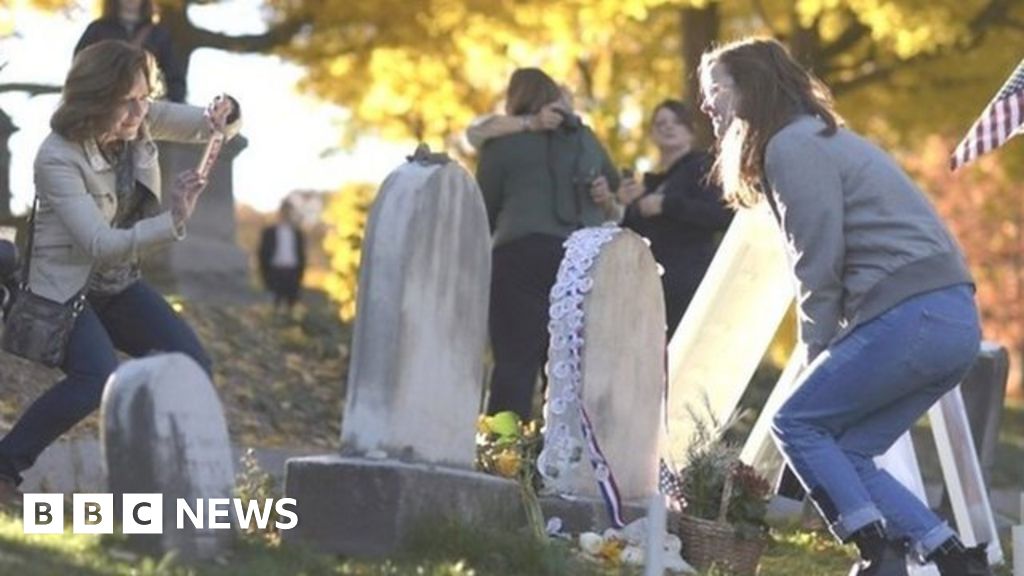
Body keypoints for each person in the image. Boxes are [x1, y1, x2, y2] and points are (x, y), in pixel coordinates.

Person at [698, 37, 987, 576]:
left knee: (796, 423)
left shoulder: (792, 144)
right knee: (851, 453)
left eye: (716, 89)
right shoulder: (820, 138)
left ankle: (876, 552)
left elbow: (817, 260)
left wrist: (815, 353)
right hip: (950, 319)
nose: (707, 103)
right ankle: (952, 557)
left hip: (912, 315)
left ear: (752, 87)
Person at [0, 40, 240, 499]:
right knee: (96, 376)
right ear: (95, 98)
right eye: (127, 100)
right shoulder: (57, 157)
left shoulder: (140, 119)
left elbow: (209, 127)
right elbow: (99, 244)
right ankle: (5, 466)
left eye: (144, 96)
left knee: (192, 363)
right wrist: (172, 221)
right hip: (66, 287)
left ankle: (169, 482)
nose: (139, 110)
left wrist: (223, 112)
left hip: (117, 282)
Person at [475, 68, 620, 421]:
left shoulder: (502, 143)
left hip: (519, 256)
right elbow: (613, 180)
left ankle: (502, 453)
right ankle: (566, 461)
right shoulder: (584, 138)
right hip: (580, 258)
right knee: (570, 368)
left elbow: (484, 207)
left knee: (514, 361)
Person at [594, 99, 732, 338]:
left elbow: (721, 215)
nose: (668, 128)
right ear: (652, 135)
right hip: (653, 288)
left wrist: (666, 204)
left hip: (691, 281)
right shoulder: (649, 183)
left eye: (676, 122)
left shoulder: (702, 166)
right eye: (660, 124)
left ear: (690, 131)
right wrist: (619, 206)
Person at [74, 0, 186, 103]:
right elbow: (79, 70)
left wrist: (170, 101)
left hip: (146, 106)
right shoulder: (97, 30)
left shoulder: (159, 34)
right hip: (105, 105)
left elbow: (175, 75)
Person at [258, 199, 306, 313]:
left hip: (292, 272)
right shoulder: (269, 232)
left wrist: (300, 275)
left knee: (292, 305)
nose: (287, 214)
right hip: (275, 272)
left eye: (289, 211)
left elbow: (301, 255)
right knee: (274, 305)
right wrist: (265, 275)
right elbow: (262, 254)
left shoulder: (297, 233)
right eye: (285, 211)